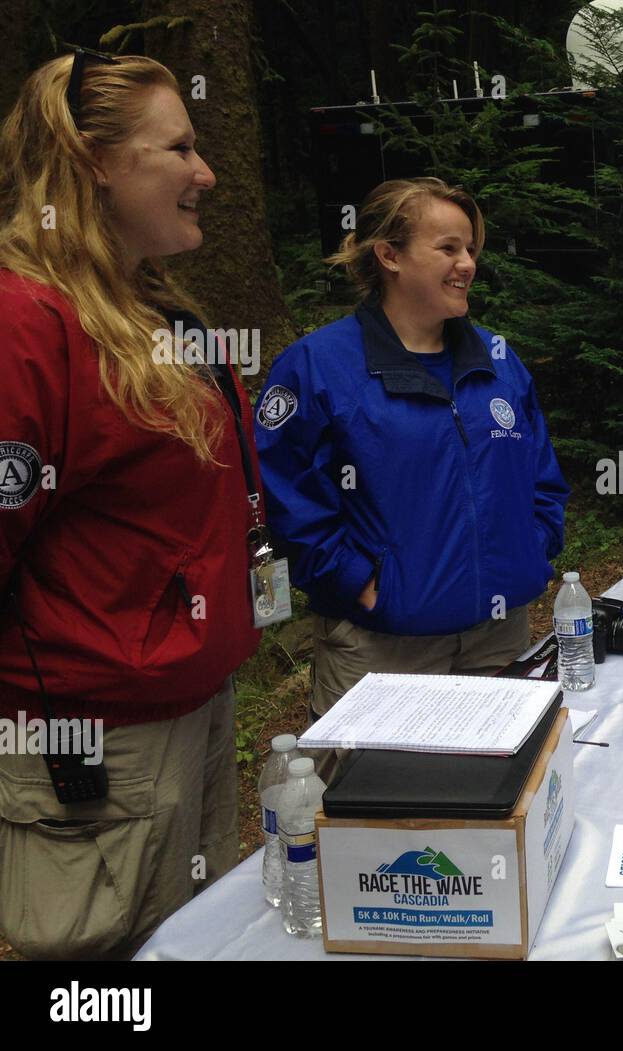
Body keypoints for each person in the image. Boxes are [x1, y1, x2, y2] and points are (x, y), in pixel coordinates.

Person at [0, 52, 261, 959]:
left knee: (192, 944)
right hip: (95, 751)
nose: (206, 173)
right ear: (94, 160)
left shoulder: (156, 315)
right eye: (179, 148)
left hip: (192, 707)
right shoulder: (26, 322)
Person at [255, 178, 568, 733]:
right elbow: (286, 497)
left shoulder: (497, 359)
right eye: (448, 248)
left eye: (470, 248)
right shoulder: (318, 366)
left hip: (499, 635)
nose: (467, 263)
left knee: (496, 802)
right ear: (389, 255)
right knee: (381, 811)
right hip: (384, 649)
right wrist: (357, 581)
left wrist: (535, 547)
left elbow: (541, 473)